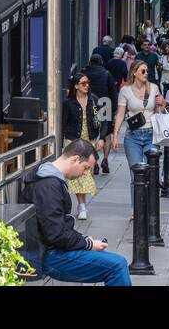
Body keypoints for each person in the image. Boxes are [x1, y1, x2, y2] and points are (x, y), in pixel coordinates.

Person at [21, 140, 130, 285]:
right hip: (48, 254)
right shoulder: (48, 186)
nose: (85, 174)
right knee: (117, 265)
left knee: (116, 263)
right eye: (85, 168)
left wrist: (85, 241)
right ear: (75, 159)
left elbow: (56, 228)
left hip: (49, 249)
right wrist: (87, 244)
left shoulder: (49, 180)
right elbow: (56, 234)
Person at [111, 61, 163, 208]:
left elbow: (159, 112)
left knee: (151, 174)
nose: (146, 73)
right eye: (143, 71)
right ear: (134, 73)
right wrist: (115, 135)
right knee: (136, 175)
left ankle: (150, 207)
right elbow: (120, 114)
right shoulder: (125, 91)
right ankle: (138, 209)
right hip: (132, 137)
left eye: (147, 71)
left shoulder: (154, 88)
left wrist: (162, 103)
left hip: (151, 134)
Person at [62, 74, 99, 220]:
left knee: (86, 172)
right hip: (72, 141)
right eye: (83, 83)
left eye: (87, 83)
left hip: (89, 140)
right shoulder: (68, 103)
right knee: (77, 173)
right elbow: (62, 123)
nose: (86, 86)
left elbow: (99, 119)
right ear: (76, 86)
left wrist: (101, 137)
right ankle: (82, 205)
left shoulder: (94, 100)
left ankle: (81, 204)